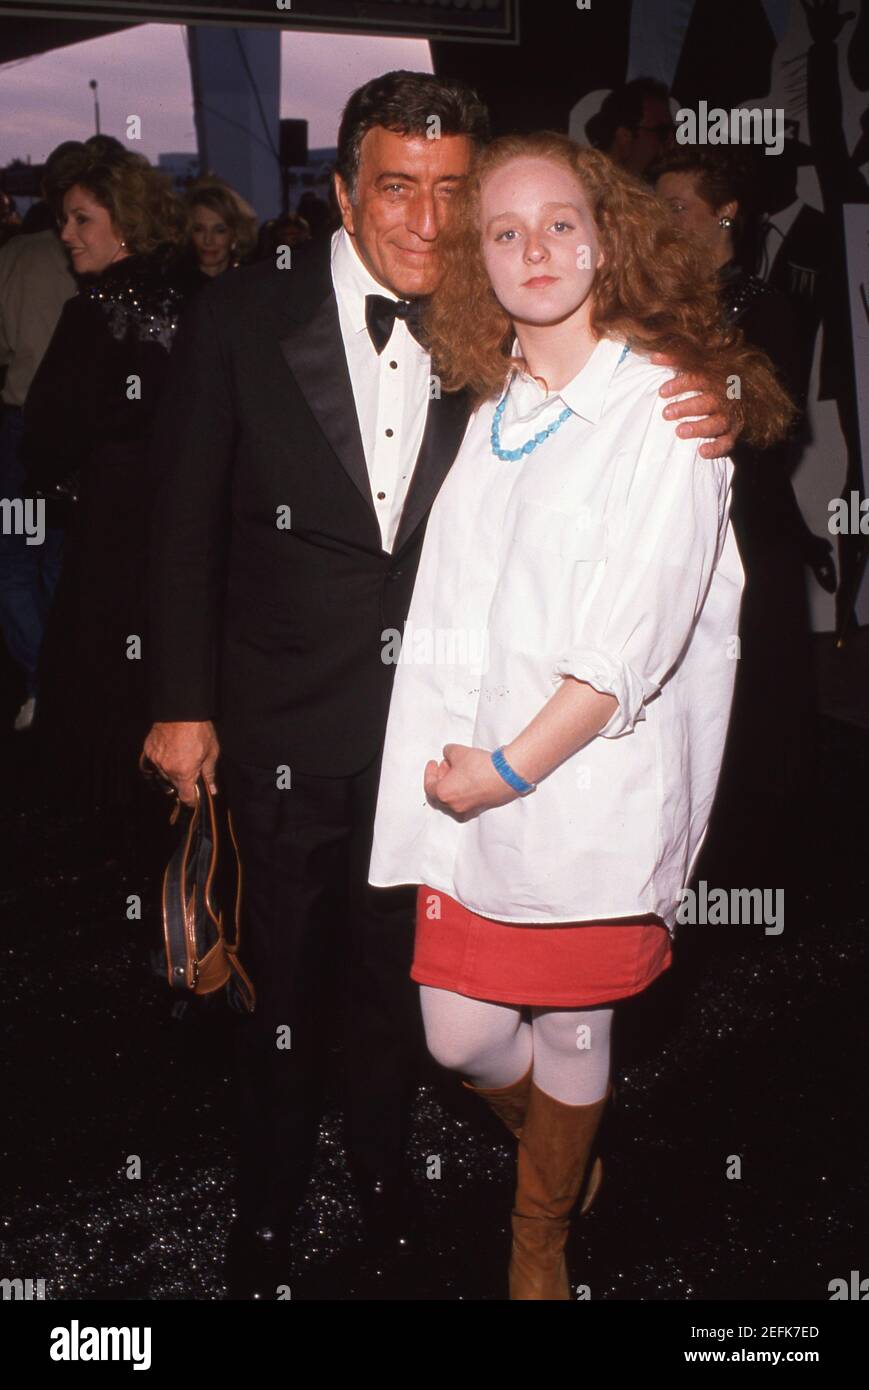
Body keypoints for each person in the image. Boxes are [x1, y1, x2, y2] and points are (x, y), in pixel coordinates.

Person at [142, 70, 743, 1301]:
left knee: (402, 1000)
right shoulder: (242, 317)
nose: (425, 222)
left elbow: (634, 380)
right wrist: (181, 699)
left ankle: (392, 1186)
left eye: (451, 194)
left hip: (443, 745)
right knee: (277, 991)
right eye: (397, 190)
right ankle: (262, 1225)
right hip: (282, 726)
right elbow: (180, 522)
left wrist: (728, 400)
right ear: (345, 192)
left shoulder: (493, 331)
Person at [368, 131, 794, 1300]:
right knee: (455, 1034)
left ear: (606, 238)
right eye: (502, 232)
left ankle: (538, 1234)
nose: (534, 248)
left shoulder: (663, 407)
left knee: (569, 1027)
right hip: (467, 791)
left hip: (569, 783)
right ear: (478, 266)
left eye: (560, 221)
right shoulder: (496, 399)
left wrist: (501, 772)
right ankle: (561, 1156)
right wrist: (462, 775)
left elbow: (627, 648)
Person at [651, 144, 832, 887]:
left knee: (750, 692)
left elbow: (778, 423)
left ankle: (751, 862)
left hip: (747, 526)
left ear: (724, 212)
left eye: (676, 208)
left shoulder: (762, 305)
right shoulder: (654, 302)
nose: (661, 222)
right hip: (673, 524)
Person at [21, 137, 186, 828]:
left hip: (111, 528)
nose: (66, 233)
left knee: (99, 671)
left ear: (122, 218)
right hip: (181, 524)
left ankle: (109, 816)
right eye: (64, 219)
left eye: (82, 218)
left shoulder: (89, 315)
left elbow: (44, 439)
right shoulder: (194, 300)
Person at [0, 143, 79, 732]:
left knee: (17, 562)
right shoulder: (96, 264)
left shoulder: (19, 258)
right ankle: (56, 681)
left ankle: (41, 680)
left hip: (24, 435)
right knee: (54, 561)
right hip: (71, 439)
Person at [175, 177, 257, 293]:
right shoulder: (175, 286)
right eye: (199, 229)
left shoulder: (251, 285)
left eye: (220, 230)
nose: (208, 240)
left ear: (236, 234)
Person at [585, 77, 675, 175]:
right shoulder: (587, 186)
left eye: (674, 131)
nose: (672, 142)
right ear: (624, 136)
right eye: (662, 132)